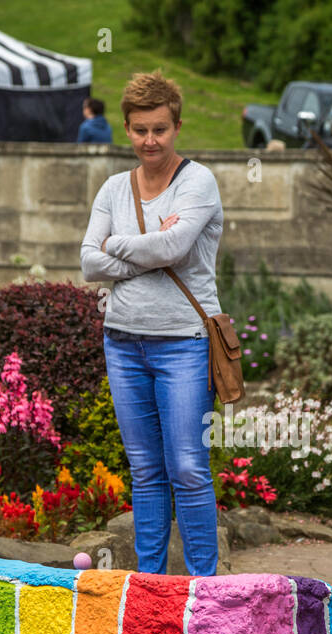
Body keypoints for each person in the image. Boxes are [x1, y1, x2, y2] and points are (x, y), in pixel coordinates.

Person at [79, 70, 224, 575]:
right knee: (145, 470)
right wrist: (145, 249)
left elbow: (176, 247)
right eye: (140, 130)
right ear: (126, 128)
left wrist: (117, 246)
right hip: (122, 343)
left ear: (177, 126)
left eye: (159, 129)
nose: (150, 140)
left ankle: (204, 586)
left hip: (184, 343)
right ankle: (149, 585)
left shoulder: (198, 182)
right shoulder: (114, 188)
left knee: (187, 467)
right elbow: (88, 263)